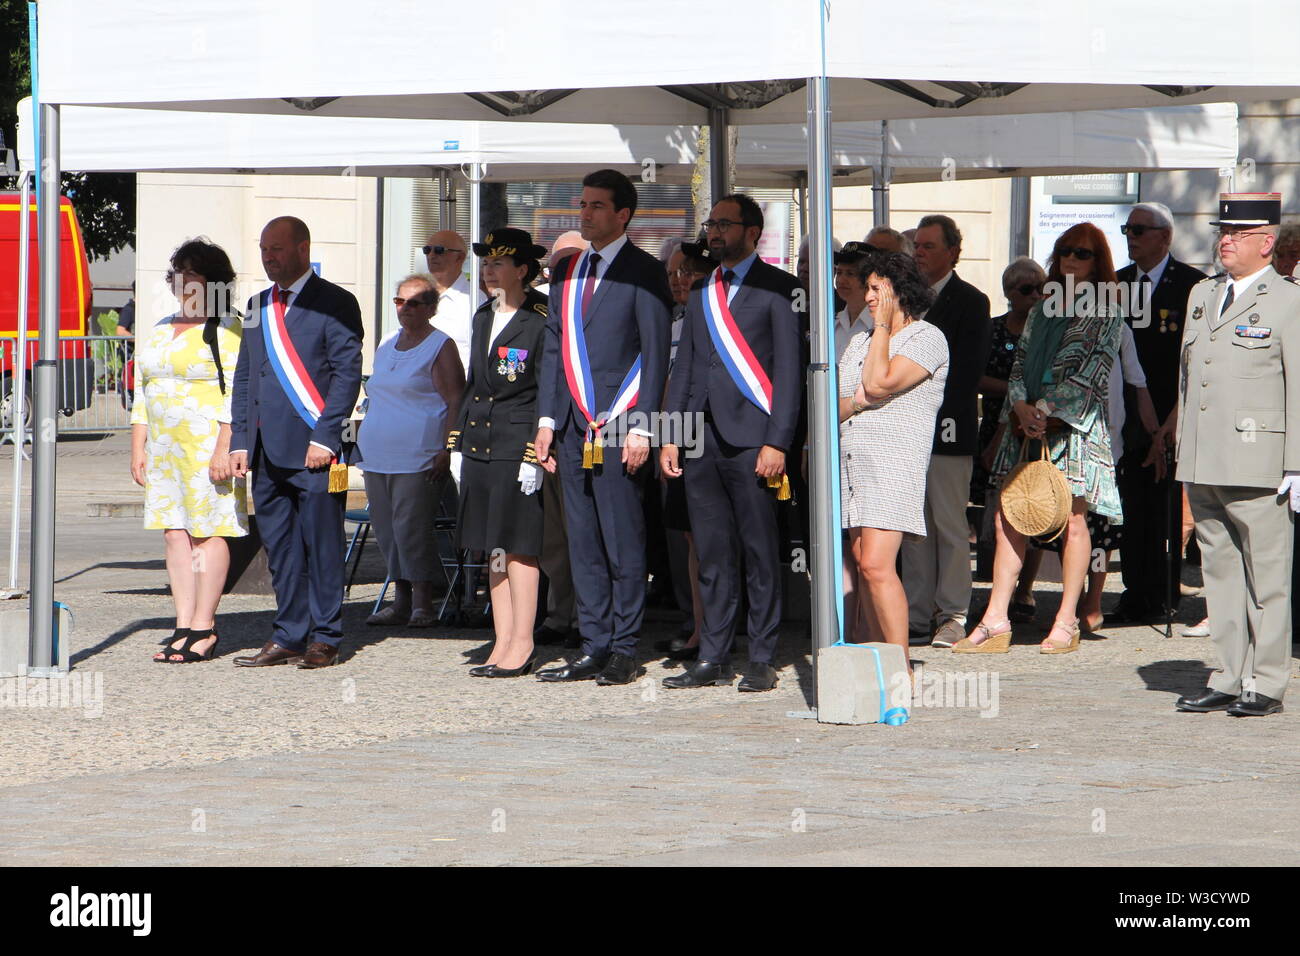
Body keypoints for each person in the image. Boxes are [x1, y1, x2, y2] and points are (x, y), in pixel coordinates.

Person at [533, 169, 672, 685]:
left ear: (623, 215)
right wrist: (546, 420)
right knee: (583, 540)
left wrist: (642, 427)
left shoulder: (644, 270)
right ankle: (592, 643)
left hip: (618, 422)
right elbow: (554, 349)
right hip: (570, 424)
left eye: (595, 206)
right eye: (583, 204)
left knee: (621, 538)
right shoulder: (567, 271)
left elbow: (655, 355)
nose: (585, 213)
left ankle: (624, 646)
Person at [957, 222, 1122, 655]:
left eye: (1082, 253)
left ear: (1098, 261)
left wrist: (1044, 410)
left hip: (1076, 428)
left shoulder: (1107, 308)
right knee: (1007, 517)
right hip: (1026, 426)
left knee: (1072, 521)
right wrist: (1020, 406)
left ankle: (1066, 619)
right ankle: (995, 618)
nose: (1071, 258)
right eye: (1065, 250)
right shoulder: (1044, 306)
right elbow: (1019, 363)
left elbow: (1094, 373)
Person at [659, 194, 803, 692]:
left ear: (753, 230)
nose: (714, 233)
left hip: (754, 442)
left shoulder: (781, 289)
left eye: (724, 224)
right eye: (711, 224)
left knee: (760, 551)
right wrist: (672, 435)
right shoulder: (701, 292)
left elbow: (788, 375)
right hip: (701, 440)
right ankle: (714, 654)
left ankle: (761, 656)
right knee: (714, 553)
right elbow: (686, 370)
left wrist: (778, 441)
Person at [1175, 192, 1300, 718]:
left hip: (1259, 461)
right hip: (1205, 459)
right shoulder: (1202, 296)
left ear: (1266, 243)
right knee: (1220, 575)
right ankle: (1227, 675)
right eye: (1221, 232)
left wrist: (1296, 462)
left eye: (1237, 234)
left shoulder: (1288, 301)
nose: (1224, 241)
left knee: (1268, 579)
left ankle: (1267, 681)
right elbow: (1187, 379)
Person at [229, 216, 364, 670]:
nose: (269, 257)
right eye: (264, 249)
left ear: (303, 248)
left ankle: (325, 636)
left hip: (315, 449)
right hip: (266, 451)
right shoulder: (256, 305)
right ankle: (288, 633)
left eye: (278, 249)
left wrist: (326, 437)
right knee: (281, 550)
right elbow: (245, 376)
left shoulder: (337, 302)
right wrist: (240, 439)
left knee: (322, 545)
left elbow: (346, 374)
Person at [131, 239, 247, 663]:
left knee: (206, 532)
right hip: (164, 449)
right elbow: (144, 391)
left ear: (213, 281)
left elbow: (238, 391)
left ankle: (204, 626)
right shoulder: (162, 325)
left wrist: (225, 446)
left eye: (192, 274)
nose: (183, 283)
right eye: (177, 274)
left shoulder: (229, 327)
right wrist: (138, 444)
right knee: (174, 532)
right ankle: (181, 623)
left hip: (206, 445)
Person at [837, 252, 949, 666]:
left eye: (875, 288)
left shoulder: (926, 337)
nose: (867, 297)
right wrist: (863, 399)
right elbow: (833, 404)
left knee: (877, 565)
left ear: (899, 290)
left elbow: (878, 382)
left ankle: (899, 667)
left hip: (894, 464)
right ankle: (872, 665)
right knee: (863, 564)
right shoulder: (861, 341)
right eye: (866, 288)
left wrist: (883, 326)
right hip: (854, 463)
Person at [448, 228, 550, 677]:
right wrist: (456, 441)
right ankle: (501, 638)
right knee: (492, 546)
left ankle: (523, 643)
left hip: (516, 444)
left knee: (520, 548)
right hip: (480, 443)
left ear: (523, 270)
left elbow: (547, 387)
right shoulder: (483, 316)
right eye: (485, 263)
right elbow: (473, 384)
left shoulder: (541, 317)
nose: (488, 271)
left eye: (498, 263)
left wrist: (534, 450)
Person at [1109, 202, 1206, 625]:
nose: (1131, 237)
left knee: (1165, 506)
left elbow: (1196, 361)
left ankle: (1165, 590)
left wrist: (1174, 419)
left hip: (1173, 412)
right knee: (1130, 506)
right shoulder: (1115, 285)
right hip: (1127, 414)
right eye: (1127, 229)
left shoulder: (1192, 285)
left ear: (1164, 237)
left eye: (1140, 230)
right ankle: (1135, 591)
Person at [903, 215, 992, 648]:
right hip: (904, 429)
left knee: (949, 523)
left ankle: (953, 612)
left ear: (953, 251)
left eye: (928, 246)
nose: (919, 252)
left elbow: (966, 373)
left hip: (948, 429)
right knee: (913, 526)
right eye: (916, 245)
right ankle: (917, 613)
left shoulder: (971, 301)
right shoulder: (906, 300)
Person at [357, 274, 464, 627]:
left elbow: (455, 400)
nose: (405, 309)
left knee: (412, 528)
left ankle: (423, 602)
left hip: (420, 453)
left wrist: (447, 449)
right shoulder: (387, 342)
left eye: (415, 303)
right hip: (378, 452)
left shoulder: (440, 345)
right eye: (399, 302)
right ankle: (399, 599)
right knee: (386, 529)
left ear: (431, 309)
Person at [973, 257, 1046, 602]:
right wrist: (1016, 392)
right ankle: (998, 587)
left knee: (1033, 509)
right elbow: (976, 378)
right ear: (1009, 292)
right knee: (999, 512)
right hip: (996, 427)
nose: (1035, 296)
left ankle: (1026, 592)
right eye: (1026, 289)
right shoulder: (992, 329)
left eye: (1042, 289)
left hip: (1036, 428)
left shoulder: (1048, 331)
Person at [533, 239, 588, 648]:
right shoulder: (543, 309)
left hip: (596, 432)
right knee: (555, 535)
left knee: (588, 534)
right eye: (554, 267)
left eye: (567, 264)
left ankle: (590, 619)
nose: (558, 274)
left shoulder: (597, 303)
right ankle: (559, 612)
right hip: (550, 434)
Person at [424, 229, 485, 376]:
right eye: (427, 250)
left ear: (460, 257)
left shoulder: (474, 299)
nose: (431, 255)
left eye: (439, 250)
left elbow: (481, 353)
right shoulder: (417, 294)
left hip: (457, 389)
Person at [833, 242, 875, 363]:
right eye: (839, 272)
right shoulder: (834, 323)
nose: (841, 280)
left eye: (850, 274)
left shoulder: (879, 323)